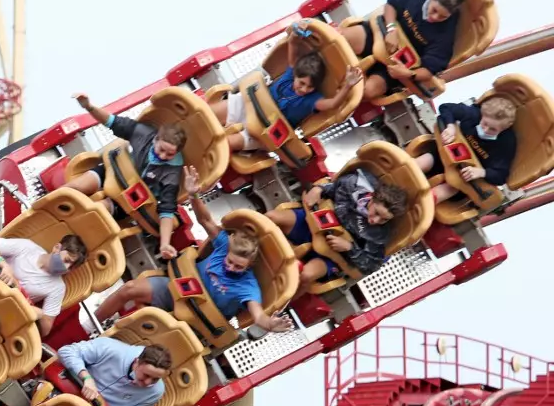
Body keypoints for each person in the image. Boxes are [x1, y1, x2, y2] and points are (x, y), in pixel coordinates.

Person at [93, 167, 290, 334]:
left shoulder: (248, 287)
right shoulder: (224, 245)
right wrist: (194, 194)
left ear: (249, 266)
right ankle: (90, 325)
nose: (230, 267)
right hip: (176, 288)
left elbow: (258, 316)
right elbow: (205, 220)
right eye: (229, 261)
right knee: (130, 289)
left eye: (238, 267)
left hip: (195, 319)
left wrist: (270, 324)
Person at [64, 92, 187, 261]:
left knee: (98, 208)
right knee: (75, 188)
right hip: (113, 172)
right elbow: (112, 121)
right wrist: (89, 106)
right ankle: (42, 209)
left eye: (170, 154)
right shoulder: (143, 133)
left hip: (127, 198)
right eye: (161, 150)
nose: (164, 156)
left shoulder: (171, 172)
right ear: (155, 140)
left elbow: (166, 209)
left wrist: (165, 243)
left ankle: (64, 235)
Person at [209, 22, 362, 153]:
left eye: (310, 87)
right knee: (210, 114)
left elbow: (333, 103)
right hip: (249, 105)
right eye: (301, 83)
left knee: (225, 144)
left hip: (264, 130)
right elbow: (293, 46)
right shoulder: (291, 72)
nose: (304, 89)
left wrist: (347, 85)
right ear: (295, 74)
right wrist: (295, 34)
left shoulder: (312, 100)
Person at [266, 170, 408, 293]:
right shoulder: (352, 185)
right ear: (372, 198)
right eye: (376, 212)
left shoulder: (379, 234)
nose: (375, 221)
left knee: (305, 275)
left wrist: (349, 248)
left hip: (330, 255)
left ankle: (277, 303)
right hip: (310, 223)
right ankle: (246, 246)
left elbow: (371, 265)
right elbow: (332, 187)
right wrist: (319, 189)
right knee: (271, 218)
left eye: (384, 219)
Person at [339, 0, 465, 101]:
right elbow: (392, 4)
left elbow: (429, 70)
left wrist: (408, 74)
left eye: (442, 17)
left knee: (367, 91)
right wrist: (391, 29)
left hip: (395, 67)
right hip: (378, 35)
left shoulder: (446, 34)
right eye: (434, 10)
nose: (434, 17)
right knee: (340, 39)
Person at [0, 234, 87, 337]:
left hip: (3, 311)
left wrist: (38, 313)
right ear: (57, 248)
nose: (66, 267)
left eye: (71, 267)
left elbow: (45, 330)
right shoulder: (27, 247)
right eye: (66, 260)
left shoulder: (58, 287)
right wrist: (4, 265)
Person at [56, 340, 171, 406]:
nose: (148, 382)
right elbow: (66, 351)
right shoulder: (110, 348)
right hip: (68, 390)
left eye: (155, 379)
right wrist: (86, 377)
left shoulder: (156, 391)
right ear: (136, 362)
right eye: (146, 375)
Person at [412, 96, 518, 203]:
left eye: (493, 129)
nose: (485, 130)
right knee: (422, 162)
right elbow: (446, 108)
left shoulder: (505, 144)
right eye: (485, 124)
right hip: (443, 156)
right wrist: (450, 126)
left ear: (503, 129)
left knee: (448, 188)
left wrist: (482, 172)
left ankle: (419, 204)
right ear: (483, 115)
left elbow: (501, 175)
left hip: (463, 177)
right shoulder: (473, 114)